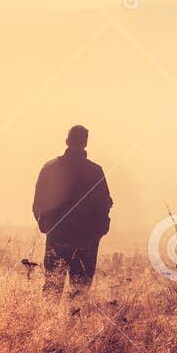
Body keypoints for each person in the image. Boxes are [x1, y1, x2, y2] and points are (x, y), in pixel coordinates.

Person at [32, 124, 113, 293]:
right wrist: (98, 232)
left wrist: (48, 226)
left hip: (58, 236)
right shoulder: (95, 171)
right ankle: (75, 320)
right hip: (86, 239)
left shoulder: (50, 168)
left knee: (52, 287)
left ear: (67, 140)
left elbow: (39, 202)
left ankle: (48, 319)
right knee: (80, 291)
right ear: (85, 143)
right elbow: (104, 203)